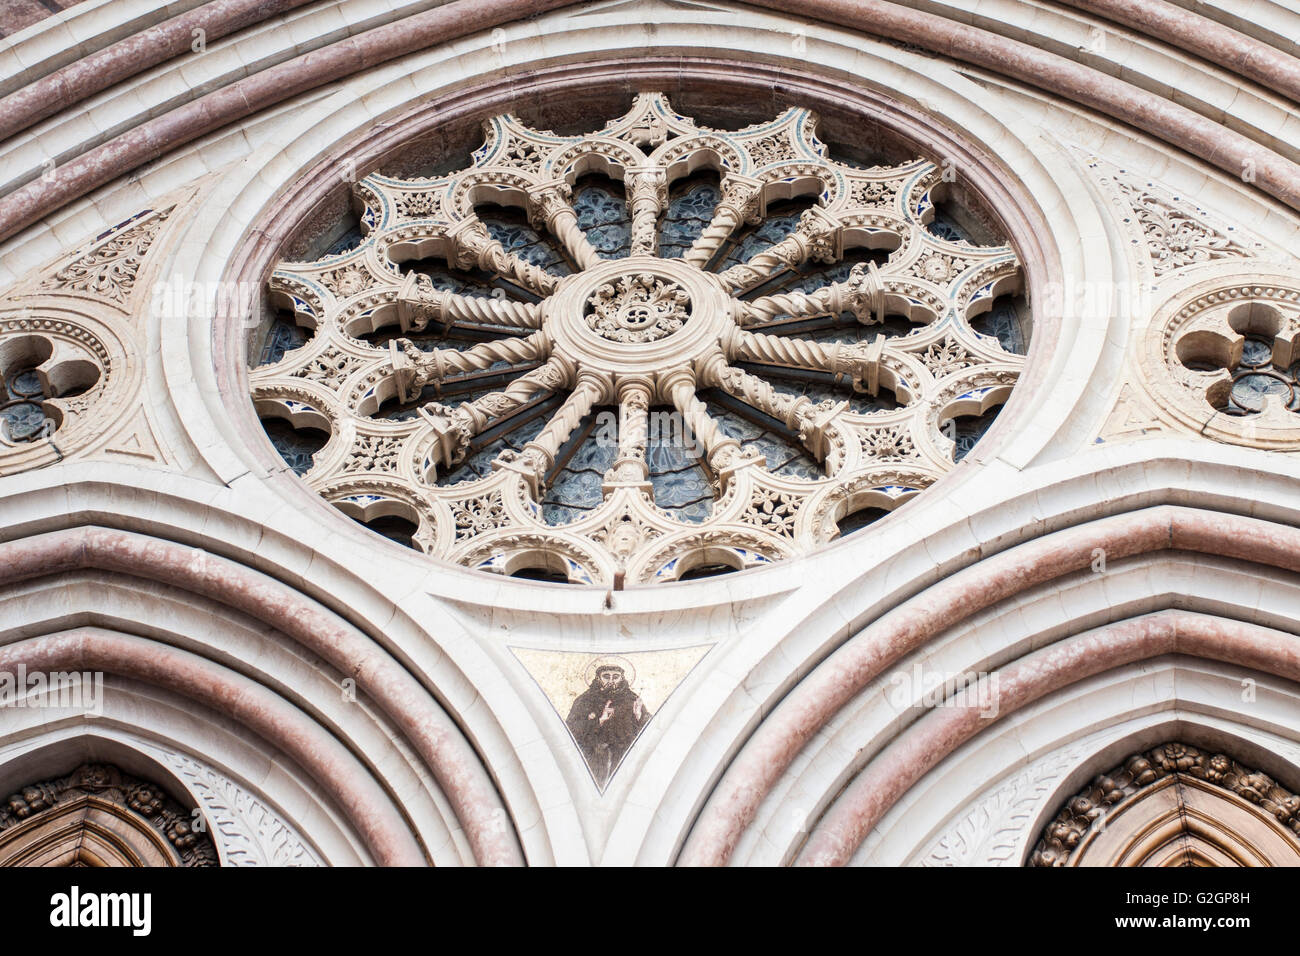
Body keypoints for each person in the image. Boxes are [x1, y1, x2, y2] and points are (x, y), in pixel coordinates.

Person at [565, 664, 651, 788]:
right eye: (606, 676)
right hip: (595, 758)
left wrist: (639, 716)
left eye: (615, 677)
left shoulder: (632, 699)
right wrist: (598, 721)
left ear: (622, 678)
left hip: (623, 756)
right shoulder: (585, 700)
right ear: (598, 678)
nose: (611, 681)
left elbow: (651, 728)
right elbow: (570, 729)